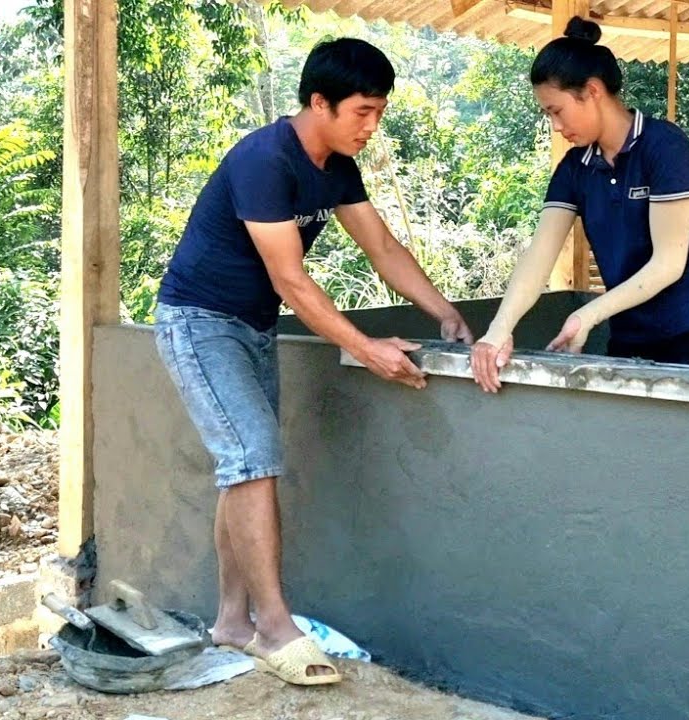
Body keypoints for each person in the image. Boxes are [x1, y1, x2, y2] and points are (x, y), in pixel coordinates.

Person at [152, 38, 473, 685]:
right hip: (199, 322)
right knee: (254, 458)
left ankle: (232, 622)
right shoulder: (265, 161)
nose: (372, 126)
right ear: (318, 102)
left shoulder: (337, 167)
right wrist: (365, 348)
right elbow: (292, 281)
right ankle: (275, 626)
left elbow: (381, 245)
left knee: (243, 464)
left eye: (380, 112)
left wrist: (445, 311)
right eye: (362, 111)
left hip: (251, 328)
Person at [470, 16, 689, 393]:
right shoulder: (574, 167)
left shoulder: (666, 149)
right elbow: (540, 254)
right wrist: (498, 330)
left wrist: (587, 315)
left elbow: (668, 264)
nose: (555, 126)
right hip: (630, 330)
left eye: (556, 110)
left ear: (592, 91)